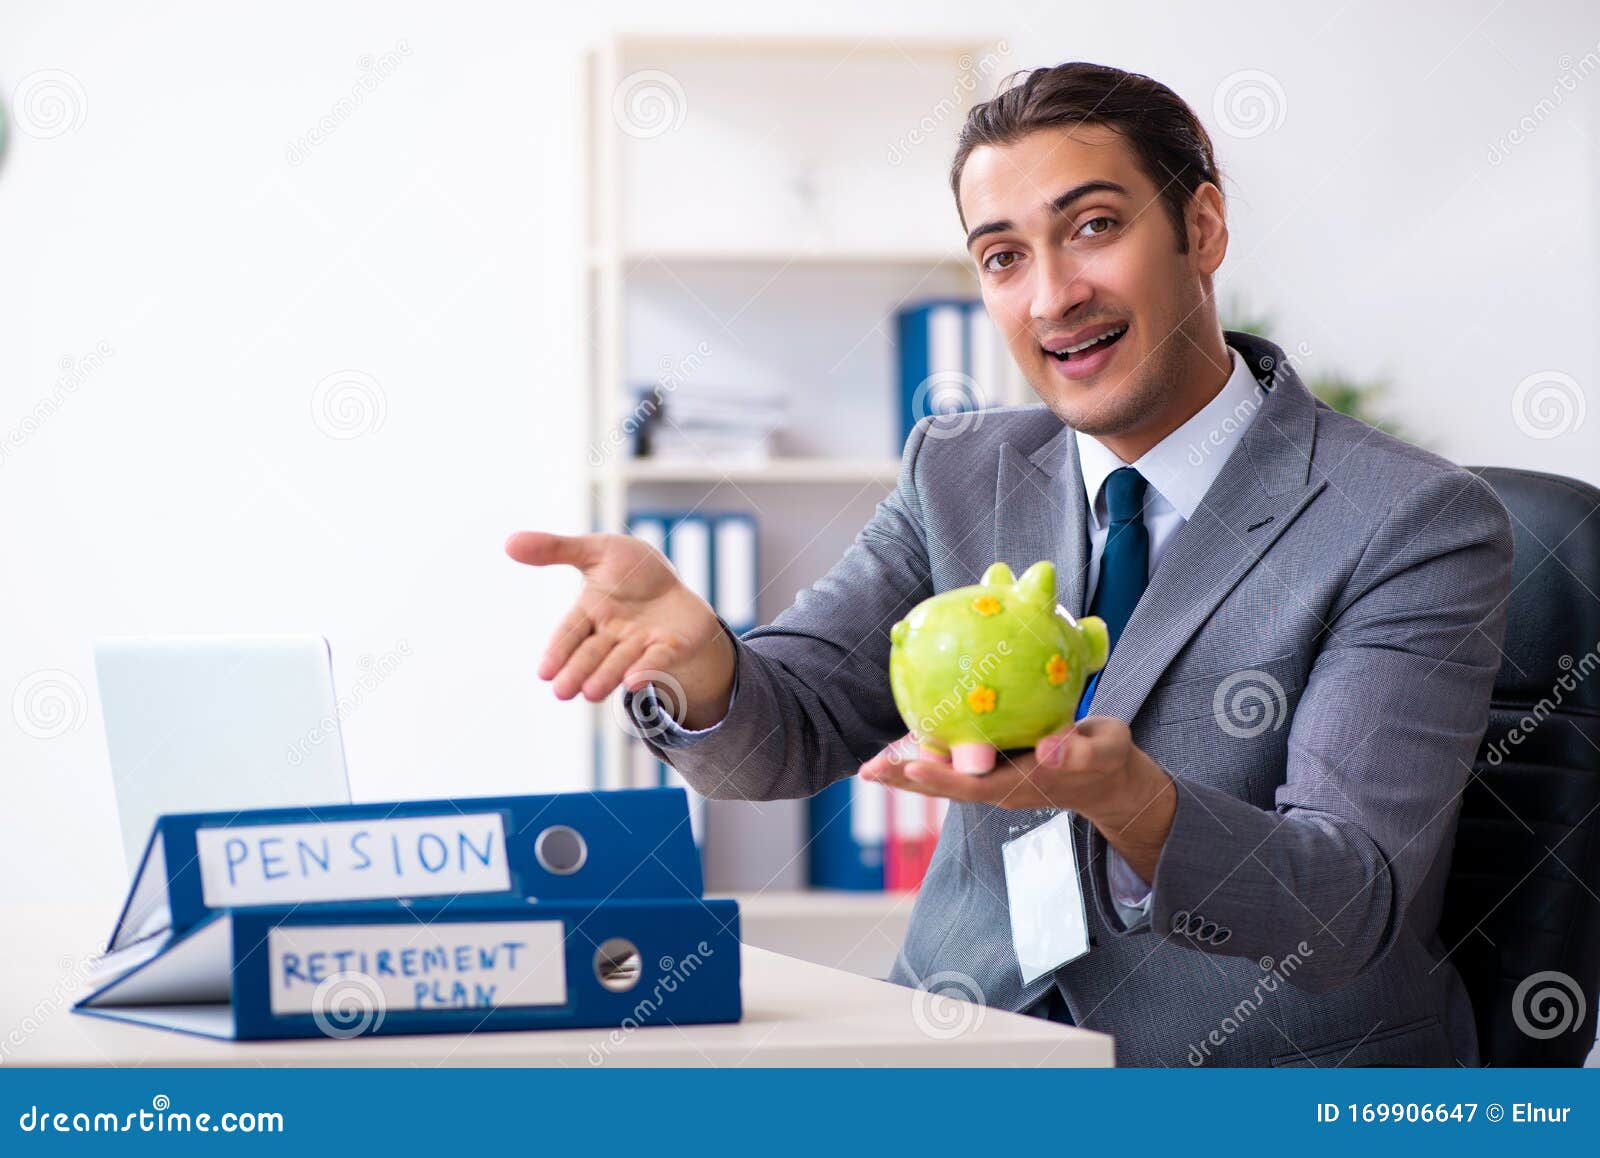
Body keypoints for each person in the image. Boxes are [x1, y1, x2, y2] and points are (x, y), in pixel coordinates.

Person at [506, 61, 1513, 1067]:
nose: (1052, 297)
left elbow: (1340, 906)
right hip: (970, 1044)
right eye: (1001, 256)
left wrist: (1129, 802)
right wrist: (701, 666)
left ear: (1199, 229)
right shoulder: (959, 469)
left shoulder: (1409, 520)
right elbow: (792, 730)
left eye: (1093, 228)